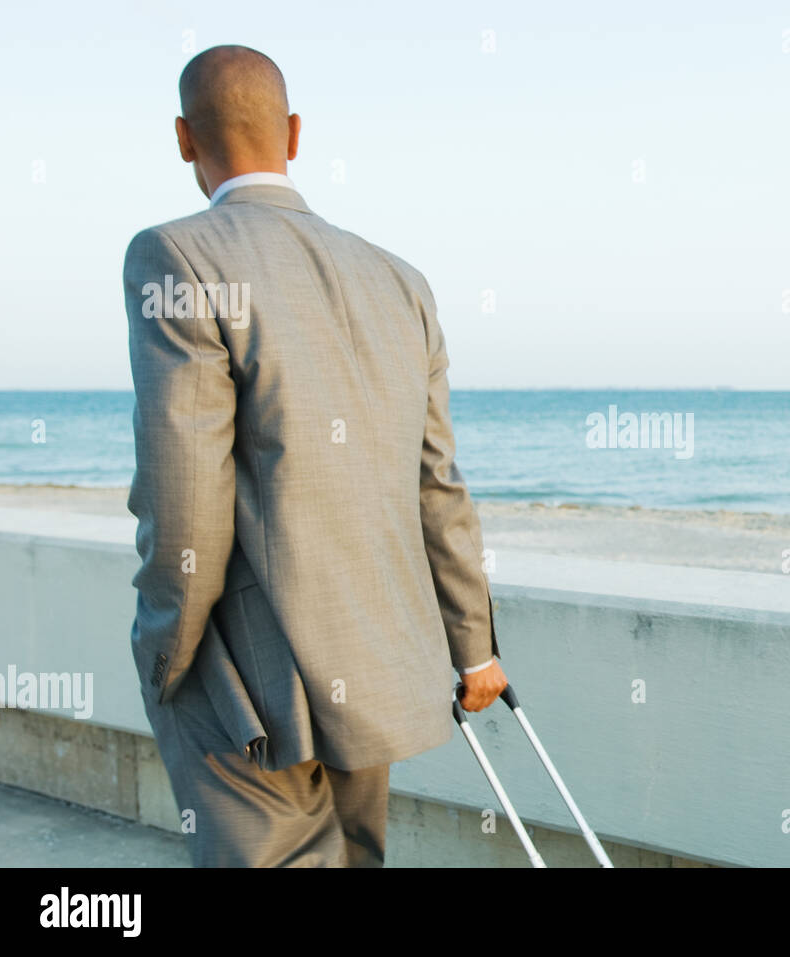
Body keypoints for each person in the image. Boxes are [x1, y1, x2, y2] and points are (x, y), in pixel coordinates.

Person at [122, 44, 507, 867]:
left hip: (247, 676)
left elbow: (183, 488)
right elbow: (436, 483)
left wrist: (163, 650)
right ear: (294, 133)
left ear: (185, 139)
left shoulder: (176, 256)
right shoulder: (399, 280)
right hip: (376, 657)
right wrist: (473, 646)